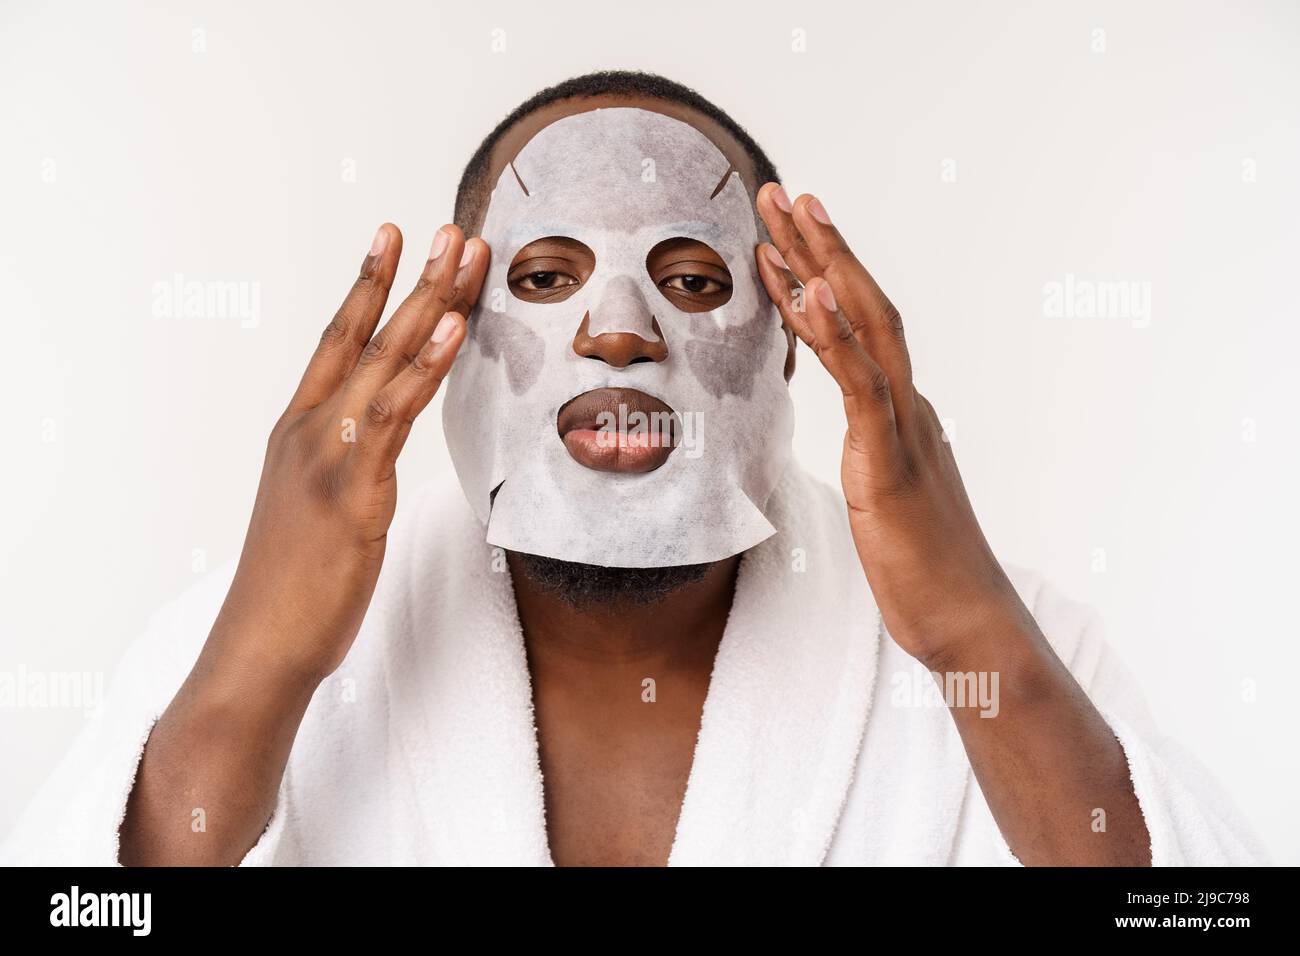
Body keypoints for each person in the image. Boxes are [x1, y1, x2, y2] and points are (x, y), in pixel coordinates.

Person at [1, 71, 1263, 867]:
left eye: (693, 279)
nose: (618, 327)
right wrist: (253, 672)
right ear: (446, 346)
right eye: (545, 277)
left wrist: (969, 625)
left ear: (786, 353)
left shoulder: (1013, 653)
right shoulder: (237, 645)